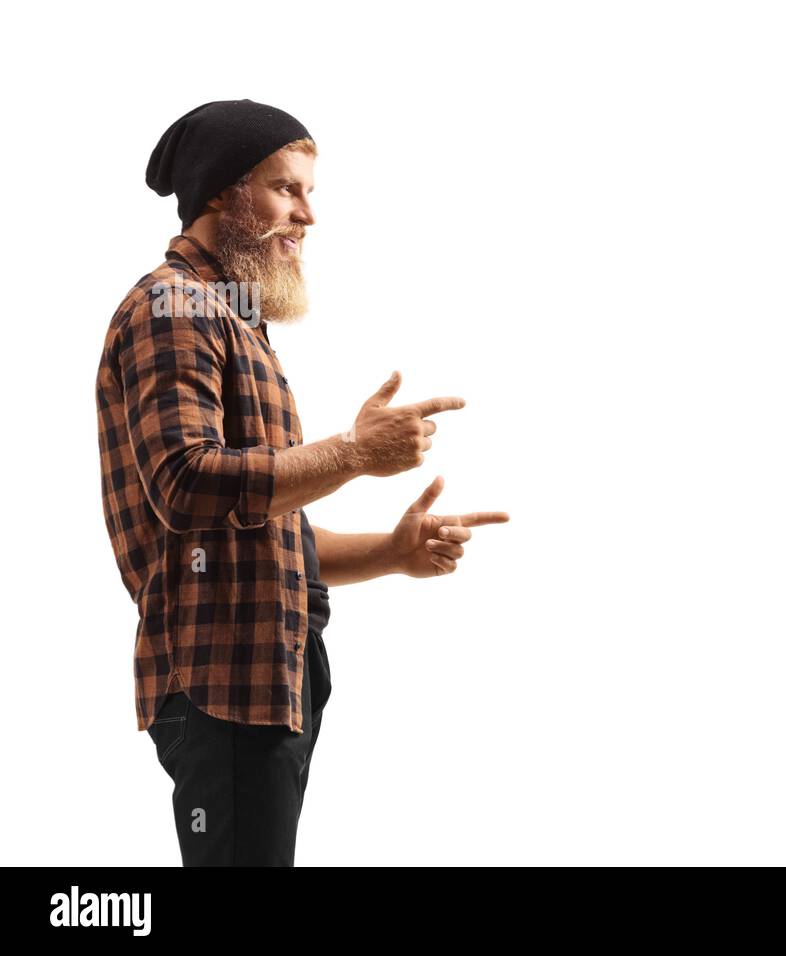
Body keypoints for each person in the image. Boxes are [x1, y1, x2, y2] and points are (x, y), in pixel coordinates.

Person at [96, 99, 509, 865]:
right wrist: (353, 453)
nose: (308, 215)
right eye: (287, 189)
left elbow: (260, 528)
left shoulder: (230, 316)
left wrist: (392, 550)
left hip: (265, 678)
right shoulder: (176, 307)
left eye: (308, 193)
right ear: (223, 192)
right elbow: (187, 486)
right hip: (225, 686)